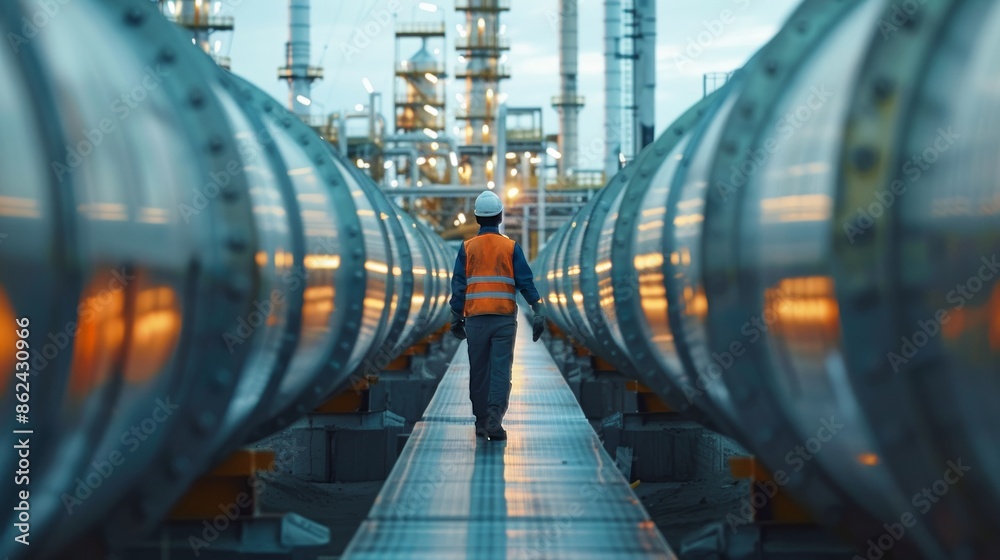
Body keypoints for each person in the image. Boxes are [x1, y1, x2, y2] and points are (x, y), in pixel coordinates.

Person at [449, 190, 546, 440]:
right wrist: (538, 309)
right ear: (500, 216)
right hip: (503, 320)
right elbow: (525, 282)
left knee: (479, 371)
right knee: (501, 371)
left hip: (476, 320)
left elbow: (459, 285)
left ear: (476, 218)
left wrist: (454, 316)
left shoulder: (467, 247)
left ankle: (481, 422)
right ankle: (494, 419)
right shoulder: (510, 247)